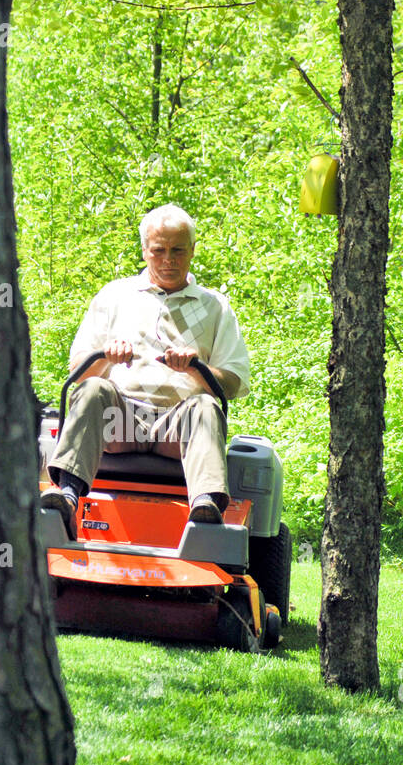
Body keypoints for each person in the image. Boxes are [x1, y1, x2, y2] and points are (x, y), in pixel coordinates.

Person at [41, 203, 251, 540]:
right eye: (159, 250)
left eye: (178, 250)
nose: (168, 259)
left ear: (193, 250)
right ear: (145, 251)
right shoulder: (115, 296)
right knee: (92, 388)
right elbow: (77, 373)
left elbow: (234, 382)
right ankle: (66, 496)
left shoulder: (215, 307)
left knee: (207, 405)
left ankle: (206, 508)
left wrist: (196, 368)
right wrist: (107, 357)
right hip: (119, 423)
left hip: (177, 428)